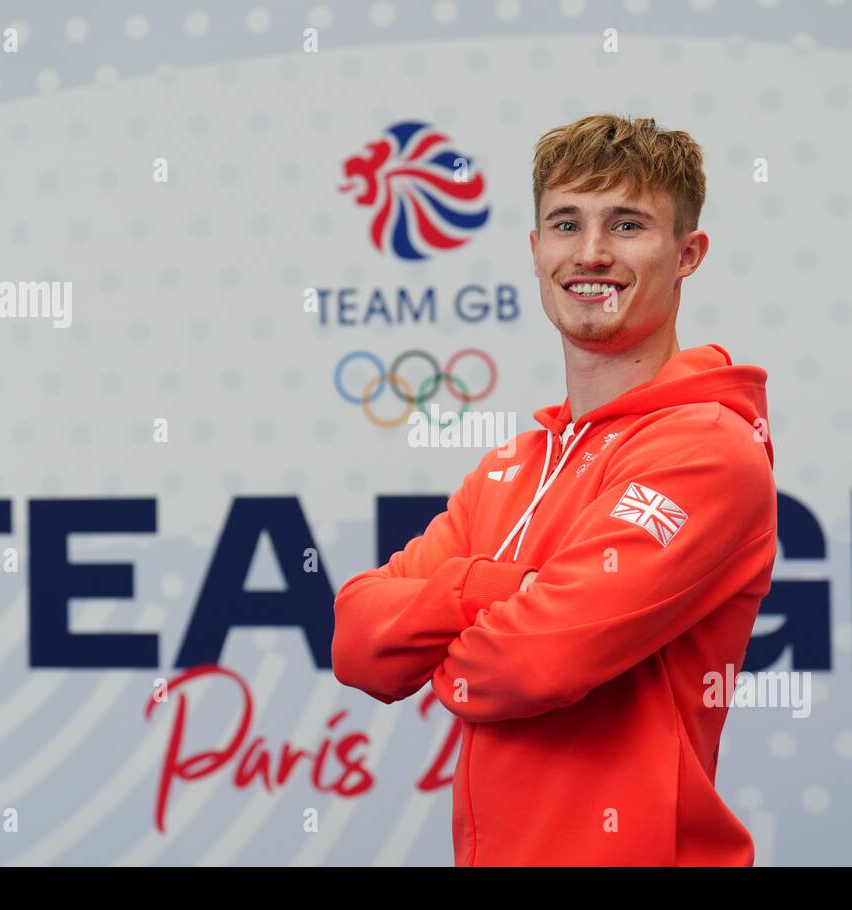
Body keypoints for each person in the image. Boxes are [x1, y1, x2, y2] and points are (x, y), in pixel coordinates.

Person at [332, 113, 778, 866]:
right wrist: (495, 588)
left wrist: (449, 610)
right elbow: (358, 643)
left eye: (628, 224)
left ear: (687, 254)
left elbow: (524, 668)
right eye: (566, 224)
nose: (592, 253)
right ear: (537, 252)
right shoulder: (512, 466)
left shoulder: (708, 448)